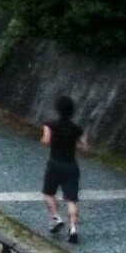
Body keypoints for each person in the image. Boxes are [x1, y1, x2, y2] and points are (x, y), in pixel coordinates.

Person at [39, 97, 86, 244]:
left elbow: (46, 141)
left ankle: (56, 217)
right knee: (71, 198)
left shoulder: (49, 125)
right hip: (71, 165)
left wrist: (48, 140)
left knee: (48, 193)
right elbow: (85, 147)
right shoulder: (77, 129)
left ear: (57, 109)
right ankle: (73, 228)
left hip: (55, 163)